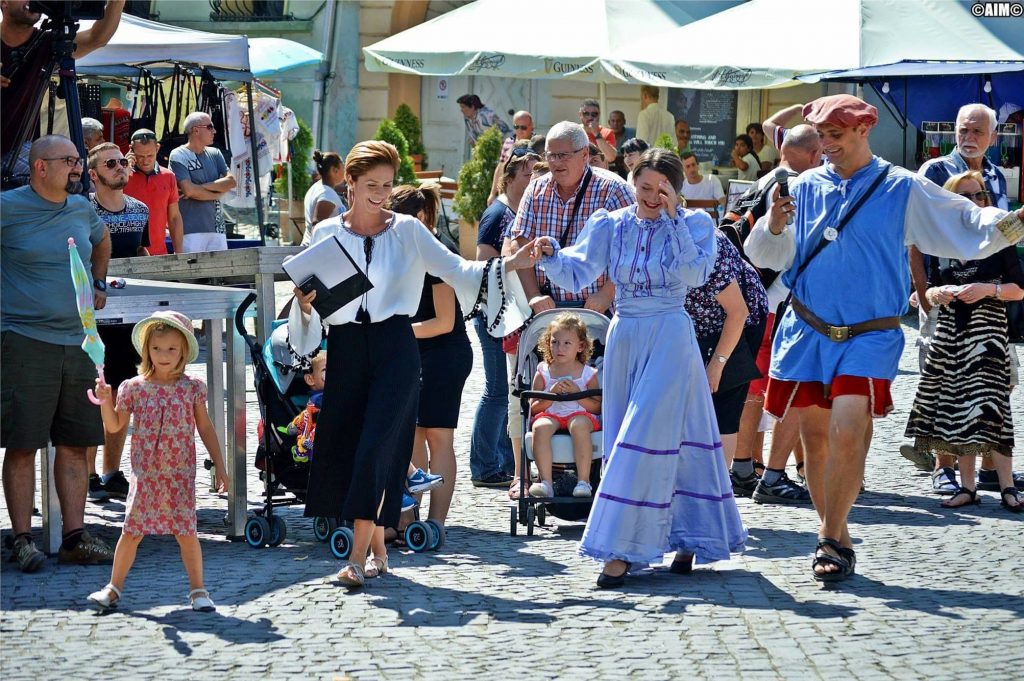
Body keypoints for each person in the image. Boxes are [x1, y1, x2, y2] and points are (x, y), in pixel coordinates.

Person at [744, 94, 1024, 582]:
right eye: (822, 136)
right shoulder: (804, 186)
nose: (827, 145)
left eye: (836, 135)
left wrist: (1017, 221)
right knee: (815, 440)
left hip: (870, 333)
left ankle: (829, 539)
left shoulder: (901, 186)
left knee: (850, 426)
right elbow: (770, 254)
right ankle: (837, 532)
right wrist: (773, 222)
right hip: (807, 328)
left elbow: (963, 218)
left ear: (863, 131)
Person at [288, 140, 537, 589]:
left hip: (396, 349)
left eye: (387, 185)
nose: (380, 194)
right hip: (345, 348)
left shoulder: (407, 230)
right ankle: (380, 546)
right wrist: (305, 307)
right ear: (349, 183)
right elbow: (310, 312)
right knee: (348, 447)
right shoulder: (325, 234)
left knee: (377, 447)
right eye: (371, 185)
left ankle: (357, 557)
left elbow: (460, 271)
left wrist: (510, 264)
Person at [532, 148, 746, 588]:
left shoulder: (695, 225)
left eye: (660, 189)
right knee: (660, 436)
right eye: (643, 187)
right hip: (626, 334)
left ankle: (620, 549)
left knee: (640, 434)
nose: (650, 196)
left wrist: (672, 218)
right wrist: (551, 253)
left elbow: (694, 275)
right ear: (632, 183)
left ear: (675, 189)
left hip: (670, 334)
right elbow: (578, 272)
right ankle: (686, 534)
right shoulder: (611, 224)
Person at [1, 135, 115, 572]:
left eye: (78, 160)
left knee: (75, 444)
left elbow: (101, 243)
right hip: (25, 338)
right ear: (39, 167)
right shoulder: (8, 207)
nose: (77, 168)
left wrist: (99, 283)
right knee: (24, 442)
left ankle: (73, 537)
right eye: (69, 160)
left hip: (81, 341)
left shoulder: (82, 209)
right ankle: (22, 540)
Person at [905, 103, 1022, 494]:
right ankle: (944, 467)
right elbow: (916, 240)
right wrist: (925, 296)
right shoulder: (935, 172)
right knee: (945, 383)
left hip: (988, 300)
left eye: (977, 132)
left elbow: (1000, 234)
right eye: (963, 130)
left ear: (992, 136)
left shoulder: (994, 176)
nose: (968, 138)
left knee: (996, 379)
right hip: (946, 291)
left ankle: (989, 467)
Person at [87, 310, 230, 611]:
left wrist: (220, 464)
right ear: (146, 349)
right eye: (156, 348)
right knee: (131, 532)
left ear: (184, 351)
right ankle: (113, 588)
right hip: (146, 474)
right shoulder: (133, 388)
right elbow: (114, 427)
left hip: (180, 474)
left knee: (187, 532)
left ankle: (198, 590)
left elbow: (205, 427)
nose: (163, 355)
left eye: (171, 349)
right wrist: (104, 401)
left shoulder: (192, 388)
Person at [730, 124, 822, 506]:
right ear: (816, 155)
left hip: (750, 297)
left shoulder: (763, 179)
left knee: (758, 386)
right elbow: (794, 253)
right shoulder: (794, 187)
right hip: (773, 302)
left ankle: (747, 465)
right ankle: (748, 468)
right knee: (769, 387)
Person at [386, 183, 473, 537]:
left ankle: (436, 522)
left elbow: (444, 321)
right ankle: (409, 518)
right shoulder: (402, 250)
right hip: (416, 352)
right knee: (412, 436)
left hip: (444, 355)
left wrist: (396, 331)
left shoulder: (440, 252)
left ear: (421, 218)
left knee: (438, 437)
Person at [511, 121, 635, 316]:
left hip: (598, 310)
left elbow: (633, 249)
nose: (555, 162)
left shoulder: (614, 190)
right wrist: (534, 295)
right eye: (550, 155)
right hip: (549, 309)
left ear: (585, 154)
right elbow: (520, 243)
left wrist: (607, 294)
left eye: (563, 155)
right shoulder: (535, 190)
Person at [85, 142, 150, 503]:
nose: (121, 167)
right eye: (111, 163)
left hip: (129, 319)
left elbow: (143, 252)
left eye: (123, 162)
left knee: (123, 395)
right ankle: (89, 473)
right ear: (93, 175)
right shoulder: (83, 211)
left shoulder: (140, 210)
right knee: (94, 396)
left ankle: (111, 472)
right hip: (93, 319)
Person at [1, 0, 123, 180]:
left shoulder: (46, 41)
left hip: (17, 148)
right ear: (3, 2)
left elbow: (96, 38)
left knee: (66, 180)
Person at [476, 145, 539, 492]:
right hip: (495, 315)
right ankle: (484, 464)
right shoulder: (498, 214)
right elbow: (484, 266)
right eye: (528, 173)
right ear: (510, 178)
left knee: (507, 393)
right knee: (498, 392)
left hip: (513, 315)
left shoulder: (520, 211)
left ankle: (500, 461)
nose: (533, 179)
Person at [684, 230, 768, 467]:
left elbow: (738, 313)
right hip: (695, 325)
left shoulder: (699, 244)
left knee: (723, 406)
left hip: (739, 320)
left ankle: (719, 491)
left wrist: (718, 364)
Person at [528, 312, 602, 499]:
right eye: (555, 342)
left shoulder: (587, 374)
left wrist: (578, 393)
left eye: (567, 343)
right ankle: (545, 481)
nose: (559, 347)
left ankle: (583, 481)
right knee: (540, 427)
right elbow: (532, 408)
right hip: (550, 414)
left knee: (578, 425)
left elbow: (597, 407)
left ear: (580, 346)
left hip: (579, 415)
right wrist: (551, 394)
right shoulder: (543, 372)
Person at [168, 111, 236, 253]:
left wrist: (201, 187)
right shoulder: (178, 155)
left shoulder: (215, 153)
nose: (214, 131)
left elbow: (231, 181)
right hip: (189, 230)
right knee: (191, 275)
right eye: (210, 127)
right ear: (196, 130)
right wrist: (217, 193)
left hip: (217, 229)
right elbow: (189, 190)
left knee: (218, 274)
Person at [124, 128, 184, 255]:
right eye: (140, 156)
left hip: (160, 254)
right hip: (128, 257)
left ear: (157, 148)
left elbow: (174, 218)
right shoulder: (121, 178)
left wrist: (179, 252)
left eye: (150, 155)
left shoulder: (169, 176)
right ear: (131, 150)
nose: (145, 161)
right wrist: (124, 171)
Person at [489, 110, 535, 204]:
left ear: (531, 126)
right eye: (516, 127)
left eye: (523, 127)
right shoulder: (508, 142)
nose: (519, 131)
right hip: (507, 194)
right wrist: (493, 193)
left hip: (529, 195)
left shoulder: (537, 143)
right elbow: (500, 167)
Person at [302, 150, 346, 246]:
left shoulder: (318, 188)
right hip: (318, 252)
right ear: (335, 170)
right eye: (343, 167)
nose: (345, 171)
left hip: (314, 249)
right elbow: (317, 226)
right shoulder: (327, 194)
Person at [680, 151, 725, 217]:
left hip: (711, 224)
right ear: (683, 169)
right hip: (689, 225)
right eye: (688, 166)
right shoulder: (681, 186)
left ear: (698, 165)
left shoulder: (712, 180)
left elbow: (722, 201)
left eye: (693, 165)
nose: (692, 169)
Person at [578, 99, 617, 166]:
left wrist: (597, 134)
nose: (590, 117)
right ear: (580, 114)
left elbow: (610, 158)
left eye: (594, 114)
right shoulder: (574, 132)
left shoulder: (607, 132)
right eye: (586, 113)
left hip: (599, 172)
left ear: (599, 115)